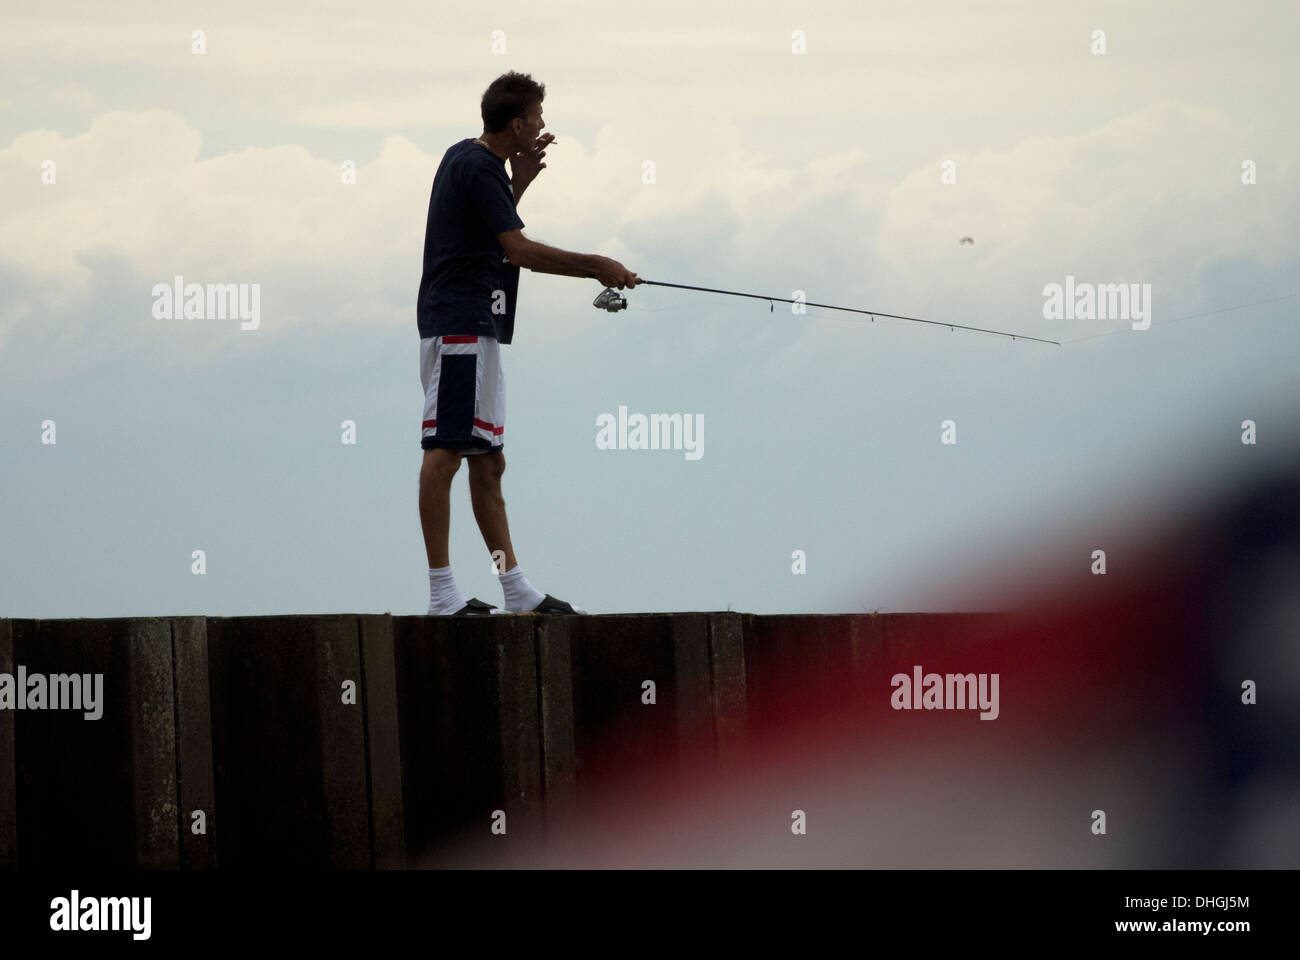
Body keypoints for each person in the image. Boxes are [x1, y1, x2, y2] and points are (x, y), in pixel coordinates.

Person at [416, 71, 639, 615]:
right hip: (458, 325)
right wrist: (596, 266)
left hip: (480, 325)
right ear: (517, 123)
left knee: (487, 461)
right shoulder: (475, 165)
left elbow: (485, 229)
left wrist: (519, 180)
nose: (542, 125)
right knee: (444, 450)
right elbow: (515, 250)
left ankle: (514, 588)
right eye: (537, 116)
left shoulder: (472, 161)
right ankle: (441, 594)